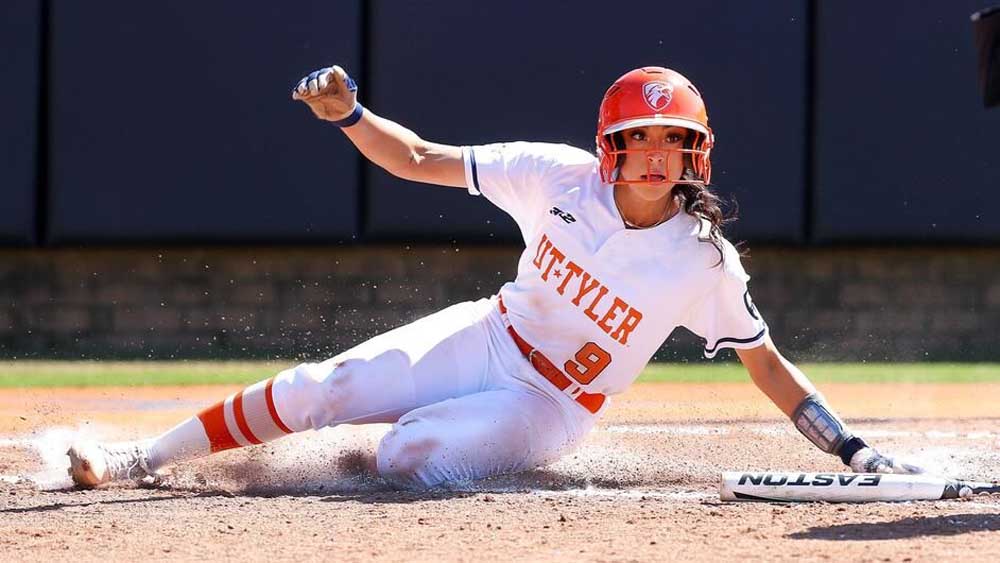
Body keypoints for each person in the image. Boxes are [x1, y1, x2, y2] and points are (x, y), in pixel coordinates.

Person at [66, 65, 923, 489]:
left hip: (552, 404)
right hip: (488, 334)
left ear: (697, 152)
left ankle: (367, 458)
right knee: (327, 386)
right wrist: (350, 116)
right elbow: (417, 158)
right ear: (611, 146)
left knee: (411, 451)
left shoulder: (702, 258)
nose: (657, 154)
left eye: (675, 140)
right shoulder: (556, 176)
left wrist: (851, 447)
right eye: (641, 137)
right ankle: (139, 458)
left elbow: (767, 364)